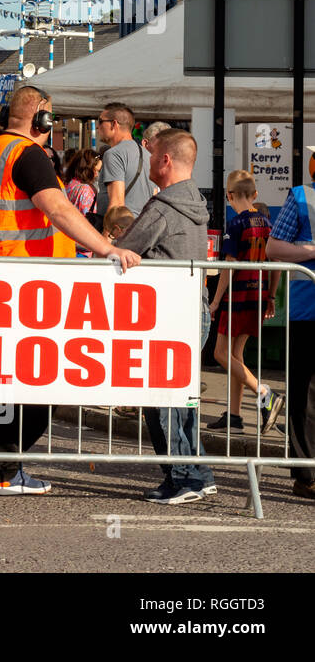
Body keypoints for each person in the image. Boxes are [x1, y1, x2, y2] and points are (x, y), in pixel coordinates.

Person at [0, 85, 140, 495]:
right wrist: (107, 247)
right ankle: (5, 467)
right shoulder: (28, 155)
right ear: (42, 120)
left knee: (4, 379)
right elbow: (58, 209)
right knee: (44, 378)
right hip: (23, 279)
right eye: (50, 117)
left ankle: (4, 468)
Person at [114, 130, 216, 504]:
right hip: (194, 310)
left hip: (165, 314)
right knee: (183, 398)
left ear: (166, 161)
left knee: (162, 399)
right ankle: (198, 473)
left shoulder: (161, 208)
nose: (148, 160)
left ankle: (182, 478)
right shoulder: (194, 202)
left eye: (152, 153)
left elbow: (121, 250)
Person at [207, 171, 281, 434]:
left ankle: (265, 394)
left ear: (229, 196)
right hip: (259, 294)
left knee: (220, 354)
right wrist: (271, 296)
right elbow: (276, 265)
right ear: (255, 195)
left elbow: (229, 266)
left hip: (238, 294)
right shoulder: (268, 225)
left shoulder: (236, 224)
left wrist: (215, 301)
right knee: (235, 356)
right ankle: (235, 417)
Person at [265, 147, 315, 501]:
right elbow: (274, 247)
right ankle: (306, 474)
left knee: (305, 393)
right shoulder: (300, 196)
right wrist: (311, 252)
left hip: (306, 308)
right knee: (303, 392)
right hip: (307, 308)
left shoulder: (300, 196)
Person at [96, 102, 155, 216]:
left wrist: (107, 233)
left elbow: (117, 204)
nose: (98, 126)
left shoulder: (113, 154)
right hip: (143, 226)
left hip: (122, 229)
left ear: (114, 124)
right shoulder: (147, 155)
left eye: (100, 121)